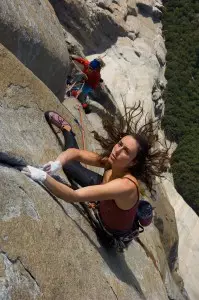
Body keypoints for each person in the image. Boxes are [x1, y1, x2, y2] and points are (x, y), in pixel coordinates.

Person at [22, 105, 169, 242]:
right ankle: (67, 130)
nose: (117, 150)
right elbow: (77, 154)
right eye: (120, 144)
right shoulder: (113, 162)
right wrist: (57, 163)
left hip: (110, 231)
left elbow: (73, 196)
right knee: (69, 165)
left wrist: (43, 177)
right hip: (105, 194)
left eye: (126, 151)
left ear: (133, 162)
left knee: (71, 169)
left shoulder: (126, 186)